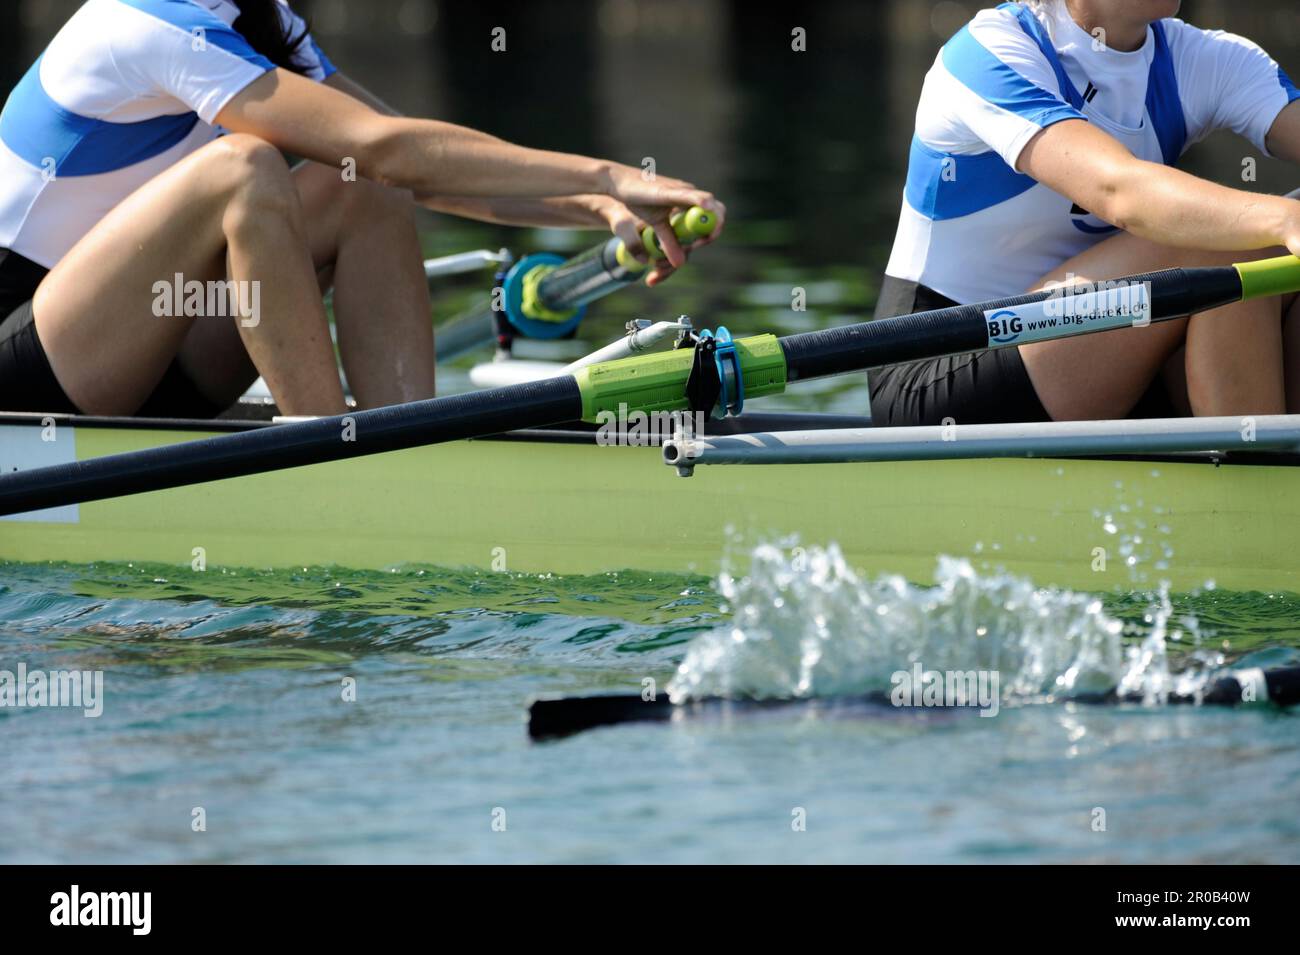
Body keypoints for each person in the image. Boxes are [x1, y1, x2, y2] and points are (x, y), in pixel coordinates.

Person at [0, 0, 724, 418]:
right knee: (245, 168)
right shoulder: (144, 21)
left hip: (156, 352)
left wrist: (599, 206)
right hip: (29, 369)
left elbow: (408, 164)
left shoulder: (258, 18)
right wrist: (610, 171)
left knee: (361, 184)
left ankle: (400, 436)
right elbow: (387, 144)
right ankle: (328, 450)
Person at [870, 0, 1300, 425]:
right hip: (938, 361)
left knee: (1274, 250)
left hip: (1090, 342)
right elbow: (1117, 190)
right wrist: (1284, 219)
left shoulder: (1211, 59)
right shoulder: (988, 52)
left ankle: (1263, 455)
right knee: (1238, 235)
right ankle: (1258, 473)